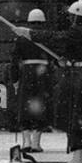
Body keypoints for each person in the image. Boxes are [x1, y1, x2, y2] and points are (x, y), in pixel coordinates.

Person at [23, 0, 82, 163]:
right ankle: (78, 158)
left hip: (77, 77)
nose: (70, 19)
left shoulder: (76, 32)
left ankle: (77, 160)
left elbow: (55, 37)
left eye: (71, 16)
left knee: (75, 117)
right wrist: (66, 60)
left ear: (77, 17)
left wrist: (29, 33)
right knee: (77, 117)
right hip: (79, 74)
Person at [12, 9, 53, 153]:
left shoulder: (22, 37)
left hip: (27, 73)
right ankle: (36, 143)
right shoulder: (47, 37)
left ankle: (26, 142)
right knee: (40, 105)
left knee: (25, 106)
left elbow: (14, 61)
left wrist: (15, 79)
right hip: (42, 73)